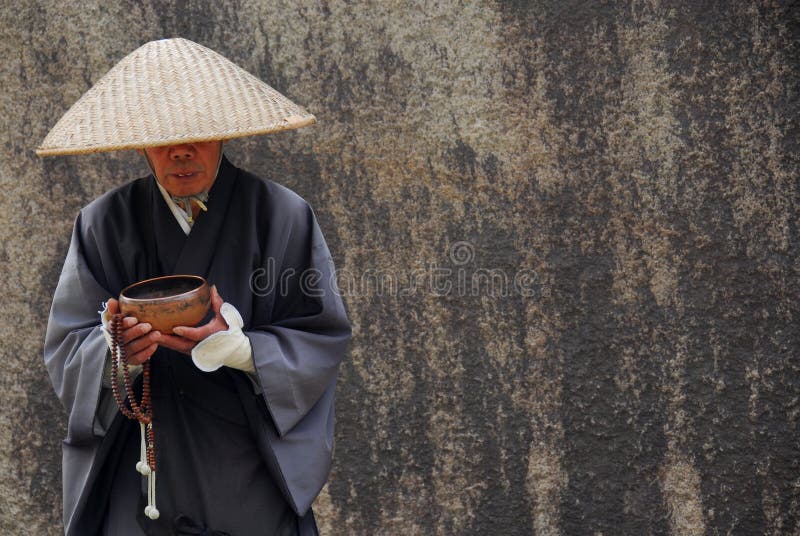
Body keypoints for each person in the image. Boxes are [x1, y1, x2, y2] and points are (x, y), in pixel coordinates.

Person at [38, 38, 351, 535]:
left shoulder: (281, 215)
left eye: (197, 134)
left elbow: (319, 336)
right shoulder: (103, 223)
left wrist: (238, 348)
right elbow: (68, 348)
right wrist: (119, 353)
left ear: (223, 132)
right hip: (139, 469)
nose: (180, 151)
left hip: (246, 468)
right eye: (162, 138)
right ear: (139, 142)